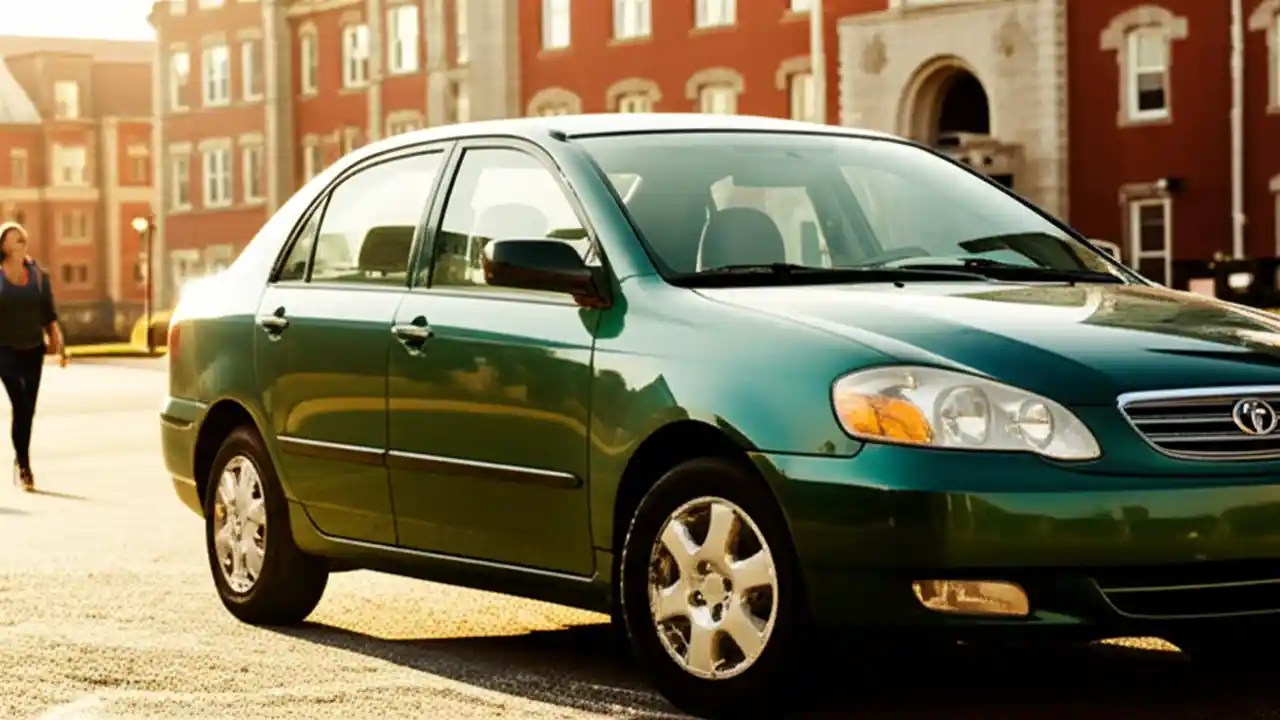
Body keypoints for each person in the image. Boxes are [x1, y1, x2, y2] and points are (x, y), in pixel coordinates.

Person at [0, 222, 68, 491]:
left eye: (23, 237)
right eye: (15, 238)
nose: (21, 241)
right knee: (20, 404)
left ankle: (20, 458)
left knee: (27, 409)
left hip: (33, 350)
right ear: (3, 245)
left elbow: (48, 313)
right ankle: (25, 466)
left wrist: (58, 342)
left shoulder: (38, 275)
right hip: (4, 350)